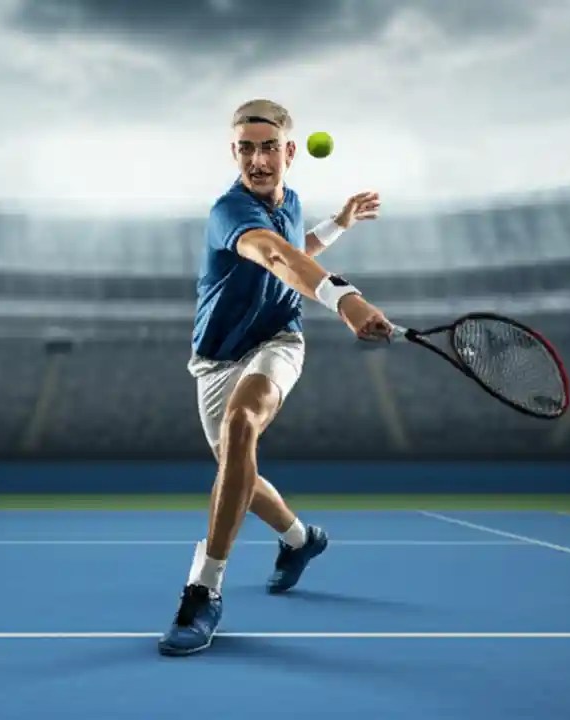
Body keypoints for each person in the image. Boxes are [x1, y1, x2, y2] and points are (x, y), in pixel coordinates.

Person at [158, 98, 393, 656]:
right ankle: (300, 539)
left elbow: (294, 249)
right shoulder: (228, 211)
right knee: (236, 471)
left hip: (278, 342)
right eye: (246, 148)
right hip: (215, 360)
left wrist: (338, 225)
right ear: (233, 152)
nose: (258, 160)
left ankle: (203, 590)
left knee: (242, 429)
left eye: (268, 148)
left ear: (290, 151)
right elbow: (277, 256)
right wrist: (347, 299)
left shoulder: (290, 201)